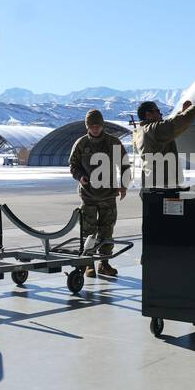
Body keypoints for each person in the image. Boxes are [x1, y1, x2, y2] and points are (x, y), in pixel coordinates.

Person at [68, 109, 129, 278]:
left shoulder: (113, 143)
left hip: (108, 194)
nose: (95, 129)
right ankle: (89, 264)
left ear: (102, 125)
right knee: (88, 231)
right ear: (87, 126)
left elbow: (124, 165)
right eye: (92, 126)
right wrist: (80, 177)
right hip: (88, 195)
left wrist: (123, 185)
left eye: (98, 125)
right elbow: (73, 165)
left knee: (107, 230)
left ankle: (104, 263)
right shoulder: (81, 144)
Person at [132, 98, 195, 191]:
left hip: (153, 185)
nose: (161, 113)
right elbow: (177, 123)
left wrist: (182, 112)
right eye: (157, 111)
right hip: (162, 186)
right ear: (148, 114)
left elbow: (171, 124)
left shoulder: (141, 131)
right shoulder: (153, 129)